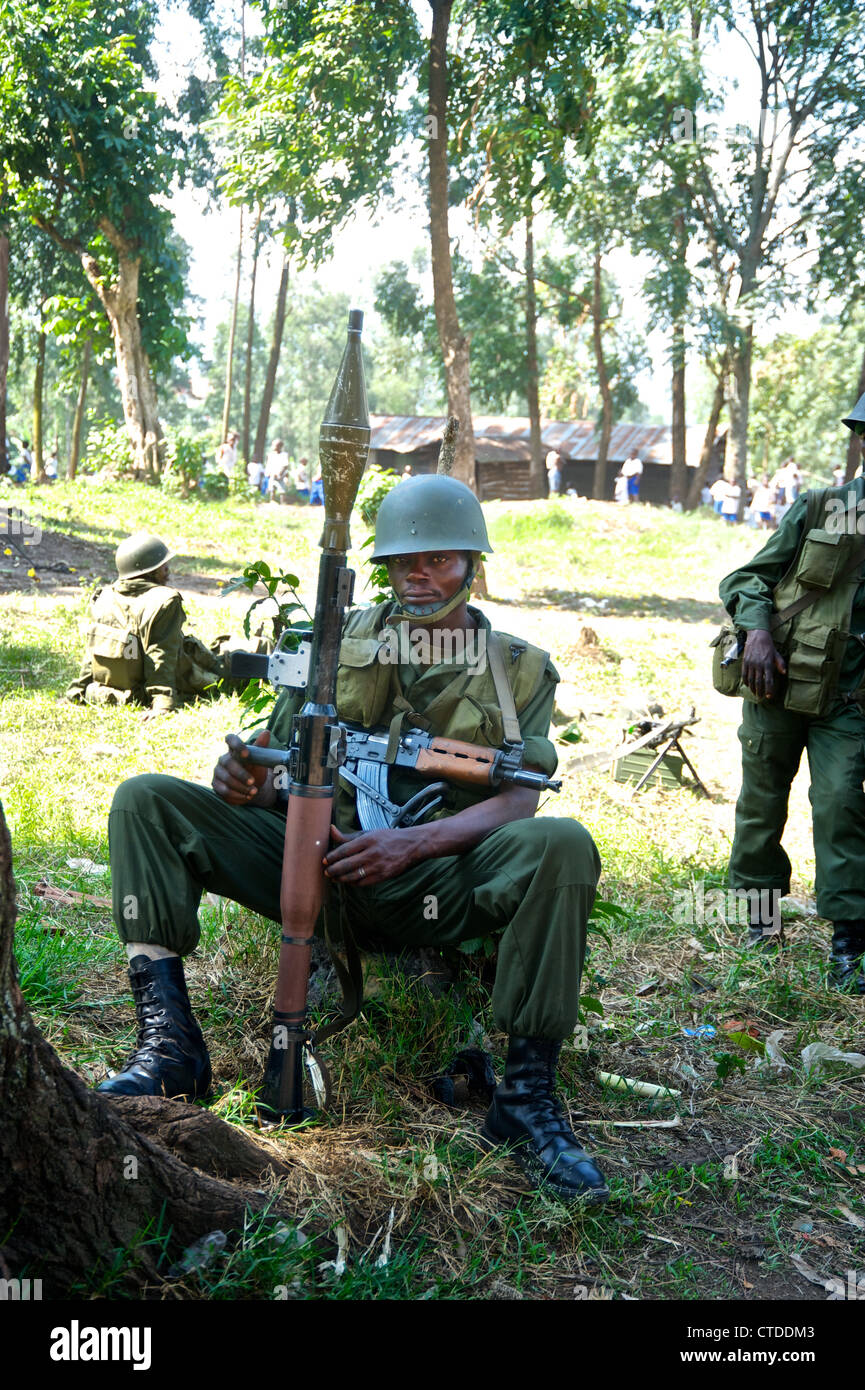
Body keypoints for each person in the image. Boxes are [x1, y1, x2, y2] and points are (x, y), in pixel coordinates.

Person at [97, 475, 609, 1204]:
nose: (422, 577)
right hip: (313, 863)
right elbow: (277, 770)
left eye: (441, 560)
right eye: (407, 562)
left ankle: (526, 1099)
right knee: (146, 800)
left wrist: (415, 845)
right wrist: (245, 783)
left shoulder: (519, 667)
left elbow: (520, 796)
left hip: (440, 881)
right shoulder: (332, 644)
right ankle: (170, 1050)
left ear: (473, 563)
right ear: (386, 568)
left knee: (563, 844)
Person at [717, 393, 865, 993]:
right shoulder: (823, 506)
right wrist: (755, 632)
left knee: (841, 807)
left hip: (850, 700)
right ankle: (760, 925)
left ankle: (850, 944)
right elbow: (745, 577)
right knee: (760, 806)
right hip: (776, 683)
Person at [65, 533, 233, 720]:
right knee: (241, 660)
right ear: (149, 571)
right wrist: (163, 704)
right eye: (163, 565)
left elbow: (94, 653)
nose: (167, 570)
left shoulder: (104, 597)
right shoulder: (164, 601)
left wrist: (77, 692)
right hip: (177, 682)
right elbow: (161, 654)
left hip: (124, 691)